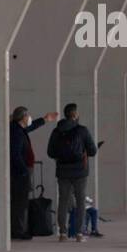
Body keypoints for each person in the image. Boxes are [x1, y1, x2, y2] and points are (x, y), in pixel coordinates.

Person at [47, 102, 98, 242]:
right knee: (80, 201)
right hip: (80, 171)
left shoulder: (57, 131)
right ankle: (79, 233)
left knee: (63, 201)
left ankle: (63, 233)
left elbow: (50, 152)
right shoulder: (82, 130)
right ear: (75, 115)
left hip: (63, 171)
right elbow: (93, 151)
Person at [9, 105, 58, 241]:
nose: (29, 118)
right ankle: (18, 230)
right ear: (23, 117)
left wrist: (44, 119)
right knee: (20, 202)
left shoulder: (18, 129)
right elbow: (15, 154)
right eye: (27, 115)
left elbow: (30, 127)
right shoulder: (16, 132)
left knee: (21, 202)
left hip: (22, 171)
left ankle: (19, 228)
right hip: (20, 173)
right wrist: (24, 170)